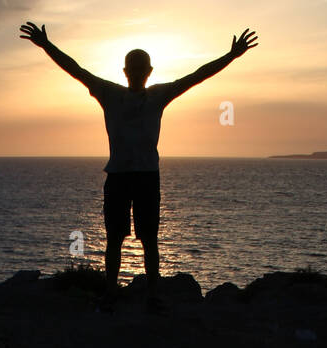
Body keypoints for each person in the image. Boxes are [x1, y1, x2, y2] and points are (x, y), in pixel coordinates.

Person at [19, 22, 258, 312]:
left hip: (142, 176)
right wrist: (47, 46)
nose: (135, 73)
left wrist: (231, 56)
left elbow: (198, 76)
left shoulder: (150, 95)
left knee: (147, 239)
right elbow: (75, 68)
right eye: (133, 68)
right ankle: (117, 293)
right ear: (129, 71)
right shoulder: (111, 93)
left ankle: (148, 295)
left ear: (146, 72)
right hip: (123, 175)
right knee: (117, 239)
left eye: (138, 68)